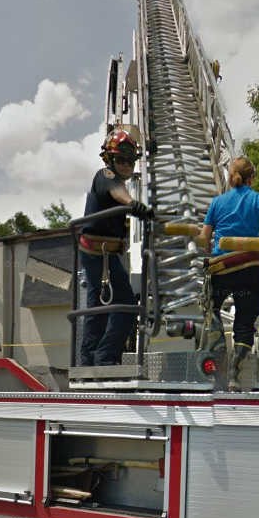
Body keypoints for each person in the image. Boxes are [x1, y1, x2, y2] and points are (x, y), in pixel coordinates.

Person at [197, 156, 259, 385]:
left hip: (222, 267)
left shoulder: (217, 202)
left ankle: (219, 346)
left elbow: (204, 237)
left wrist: (205, 244)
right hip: (248, 267)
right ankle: (235, 369)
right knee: (245, 322)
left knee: (211, 307)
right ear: (251, 178)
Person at [78, 128, 152, 367]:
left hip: (103, 254)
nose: (126, 165)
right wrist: (134, 205)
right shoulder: (106, 175)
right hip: (98, 254)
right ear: (109, 159)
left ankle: (91, 359)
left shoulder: (115, 179)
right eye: (121, 159)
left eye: (130, 160)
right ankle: (104, 357)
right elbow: (118, 193)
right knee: (125, 305)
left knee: (98, 308)